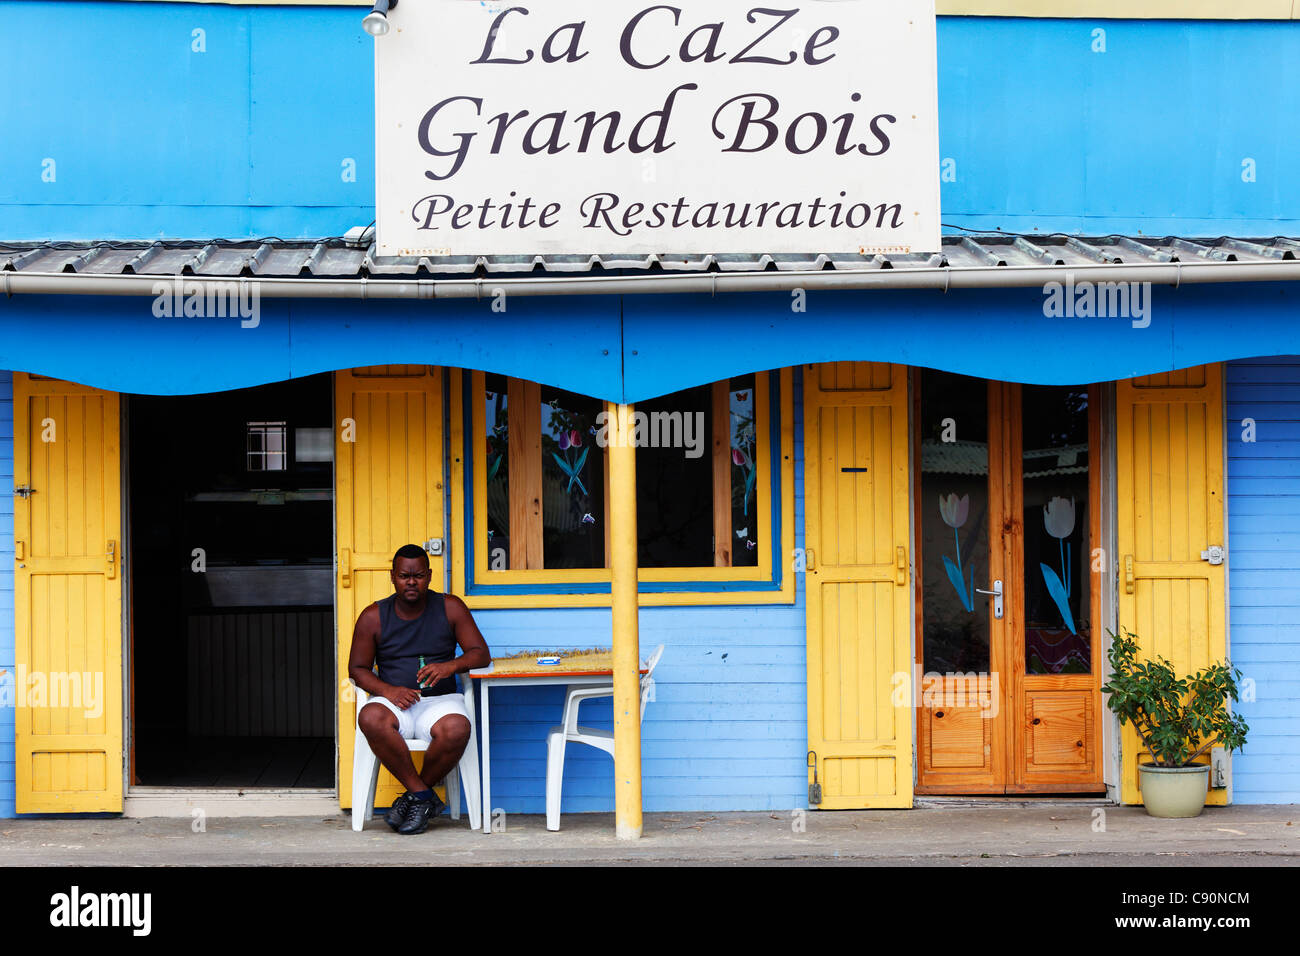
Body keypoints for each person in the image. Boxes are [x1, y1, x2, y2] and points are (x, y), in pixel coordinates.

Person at [349, 543, 490, 834]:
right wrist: (389, 691)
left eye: (418, 576)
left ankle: (415, 798)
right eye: (404, 576)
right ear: (392, 577)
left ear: (429, 575)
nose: (411, 582)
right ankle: (424, 796)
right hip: (394, 703)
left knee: (457, 728)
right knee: (370, 717)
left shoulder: (450, 607)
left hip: (440, 701)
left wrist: (449, 666)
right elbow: (357, 669)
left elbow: (480, 654)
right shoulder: (373, 616)